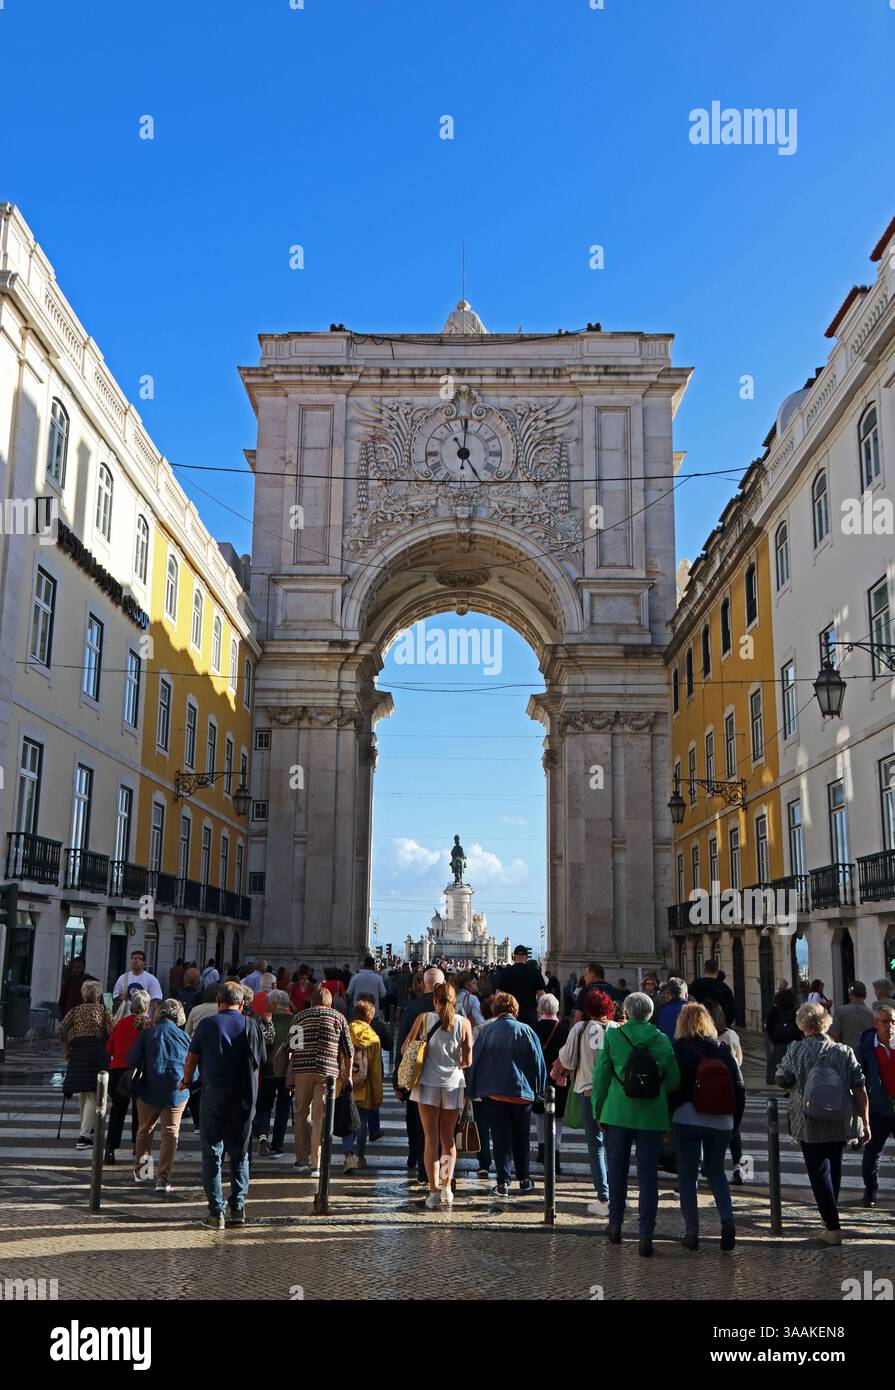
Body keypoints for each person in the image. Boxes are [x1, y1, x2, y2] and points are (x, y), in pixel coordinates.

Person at [591, 991, 681, 1257]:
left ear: (626, 1012)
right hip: (651, 1117)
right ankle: (645, 1235)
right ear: (650, 1014)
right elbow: (675, 1080)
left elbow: (601, 1078)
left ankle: (615, 1225)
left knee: (617, 1171)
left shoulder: (614, 1036)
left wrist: (598, 1111)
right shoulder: (662, 1040)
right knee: (647, 1176)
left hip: (617, 1113)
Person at [775, 1001, 869, 1245]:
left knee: (818, 1172)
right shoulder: (844, 1051)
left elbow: (783, 1079)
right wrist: (865, 1122)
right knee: (833, 1167)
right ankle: (829, 1218)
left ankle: (833, 1227)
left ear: (801, 1024)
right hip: (838, 1119)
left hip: (809, 1120)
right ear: (825, 1022)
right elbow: (859, 1086)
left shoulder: (796, 1049)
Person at [181, 981, 266, 1229]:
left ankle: (216, 1212)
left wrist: (186, 1082)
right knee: (240, 1154)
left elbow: (191, 1059)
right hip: (243, 1098)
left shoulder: (208, 1025)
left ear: (219, 1002)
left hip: (214, 1095)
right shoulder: (252, 1025)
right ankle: (238, 1208)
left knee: (212, 1153)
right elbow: (261, 1060)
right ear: (241, 1004)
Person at [670, 1003, 745, 1251]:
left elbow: (671, 1087)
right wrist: (735, 1122)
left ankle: (692, 1233)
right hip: (721, 1120)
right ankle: (727, 1219)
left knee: (687, 1176)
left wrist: (667, 1121)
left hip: (686, 1118)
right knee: (716, 1172)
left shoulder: (678, 1049)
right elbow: (739, 1087)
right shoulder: (722, 1050)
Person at [467, 991, 546, 1201]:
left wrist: (471, 1089)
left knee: (500, 1138)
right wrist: (540, 1090)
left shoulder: (487, 1031)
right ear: (515, 1009)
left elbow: (474, 1061)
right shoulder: (526, 1030)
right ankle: (525, 1178)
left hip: (494, 1093)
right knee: (521, 1137)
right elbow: (539, 1063)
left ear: (495, 1009)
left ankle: (503, 1182)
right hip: (522, 1092)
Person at [402, 981, 473, 1208]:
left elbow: (405, 1049)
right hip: (452, 1085)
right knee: (448, 1140)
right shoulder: (464, 1023)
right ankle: (446, 1187)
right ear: (455, 1001)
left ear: (435, 999)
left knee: (430, 1140)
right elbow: (467, 1061)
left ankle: (432, 1192)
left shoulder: (424, 1019)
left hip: (427, 1085)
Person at [558, 986, 616, 1215]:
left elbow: (568, 1061)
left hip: (589, 1094)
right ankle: (617, 1194)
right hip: (613, 1096)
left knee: (596, 1147)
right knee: (614, 1146)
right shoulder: (617, 1029)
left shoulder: (580, 1029)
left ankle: (604, 1197)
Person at [288, 985, 353, 1176]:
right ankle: (316, 1164)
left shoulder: (299, 1017)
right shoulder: (338, 1018)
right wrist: (347, 1073)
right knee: (320, 1117)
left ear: (311, 1001)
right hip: (327, 1072)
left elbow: (293, 1047)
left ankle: (300, 1159)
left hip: (302, 1070)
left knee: (301, 1114)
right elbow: (348, 1050)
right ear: (330, 1002)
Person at [128, 998, 191, 1194]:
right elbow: (192, 1066)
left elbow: (132, 1058)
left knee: (145, 1130)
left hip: (149, 1088)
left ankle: (143, 1172)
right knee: (170, 1133)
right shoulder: (183, 1036)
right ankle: (163, 1180)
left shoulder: (149, 1034)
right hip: (176, 1089)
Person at [396, 965, 446, 1184]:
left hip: (417, 1077)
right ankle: (444, 1177)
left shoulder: (413, 1008)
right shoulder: (454, 1012)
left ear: (425, 984)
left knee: (417, 1123)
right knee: (444, 1131)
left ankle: (419, 1164)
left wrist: (398, 1084)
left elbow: (402, 1046)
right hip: (446, 1080)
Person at [59, 980, 113, 1148]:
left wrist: (66, 1049)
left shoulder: (75, 1011)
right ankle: (84, 1136)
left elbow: (61, 1029)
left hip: (78, 1052)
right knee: (93, 1094)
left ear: (84, 994)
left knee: (84, 1092)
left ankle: (87, 1130)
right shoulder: (103, 1010)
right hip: (97, 1052)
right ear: (98, 995)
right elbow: (112, 1032)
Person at [104, 988, 151, 1164]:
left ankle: (110, 1148)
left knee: (118, 1110)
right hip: (139, 1071)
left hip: (118, 1071)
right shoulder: (148, 1025)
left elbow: (109, 1048)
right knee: (140, 1111)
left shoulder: (121, 1024)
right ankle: (136, 1146)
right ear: (146, 1008)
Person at [856, 1000, 895, 1208]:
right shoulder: (866, 1046)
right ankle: (870, 1189)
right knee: (872, 1154)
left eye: (892, 1021)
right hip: (877, 1110)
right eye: (884, 1021)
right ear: (876, 1023)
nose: (889, 1026)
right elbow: (857, 1077)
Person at [705, 999, 746, 1183]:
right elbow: (739, 1060)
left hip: (711, 1088)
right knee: (734, 1130)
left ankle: (711, 1166)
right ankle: (739, 1167)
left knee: (712, 1127)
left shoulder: (705, 1039)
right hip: (732, 1085)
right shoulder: (731, 1035)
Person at [342, 1000, 384, 1171]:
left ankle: (348, 1156)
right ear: (370, 1018)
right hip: (365, 1088)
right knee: (362, 1123)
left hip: (347, 1084)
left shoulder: (345, 1031)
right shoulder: (373, 1038)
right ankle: (360, 1156)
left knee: (346, 1122)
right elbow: (375, 1070)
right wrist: (377, 1095)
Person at [532, 993, 570, 1174]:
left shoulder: (534, 1028)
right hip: (559, 1078)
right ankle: (556, 1152)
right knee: (558, 1116)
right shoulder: (564, 1030)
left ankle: (541, 1148)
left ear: (540, 1009)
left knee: (540, 1113)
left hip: (539, 1077)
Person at [254, 989, 294, 1157]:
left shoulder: (263, 1019)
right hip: (286, 1071)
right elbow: (296, 1047)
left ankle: (263, 1136)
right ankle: (278, 1144)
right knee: (283, 1107)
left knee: (264, 1105)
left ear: (273, 1004)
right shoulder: (294, 1020)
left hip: (267, 1070)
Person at [496, 945, 546, 1028]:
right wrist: (541, 1013)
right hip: (530, 1013)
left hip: (510, 1014)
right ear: (526, 957)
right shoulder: (534, 971)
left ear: (513, 956)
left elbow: (498, 994)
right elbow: (542, 994)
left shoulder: (506, 972)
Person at [765, 985, 801, 1084]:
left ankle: (774, 1079)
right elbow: (799, 1027)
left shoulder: (774, 1010)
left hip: (777, 1042)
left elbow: (769, 1027)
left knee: (775, 1062)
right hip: (792, 1043)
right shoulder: (795, 1011)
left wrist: (773, 1039)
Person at [688, 959, 737, 1028]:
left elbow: (689, 1005)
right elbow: (732, 1010)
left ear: (705, 970)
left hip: (700, 1026)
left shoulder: (695, 985)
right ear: (717, 971)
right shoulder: (725, 988)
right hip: (719, 1027)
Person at [830, 982, 875, 1051]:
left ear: (849, 995)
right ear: (865, 995)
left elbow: (834, 1036)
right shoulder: (872, 1014)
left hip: (846, 1055)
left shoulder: (840, 1011)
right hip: (866, 1057)